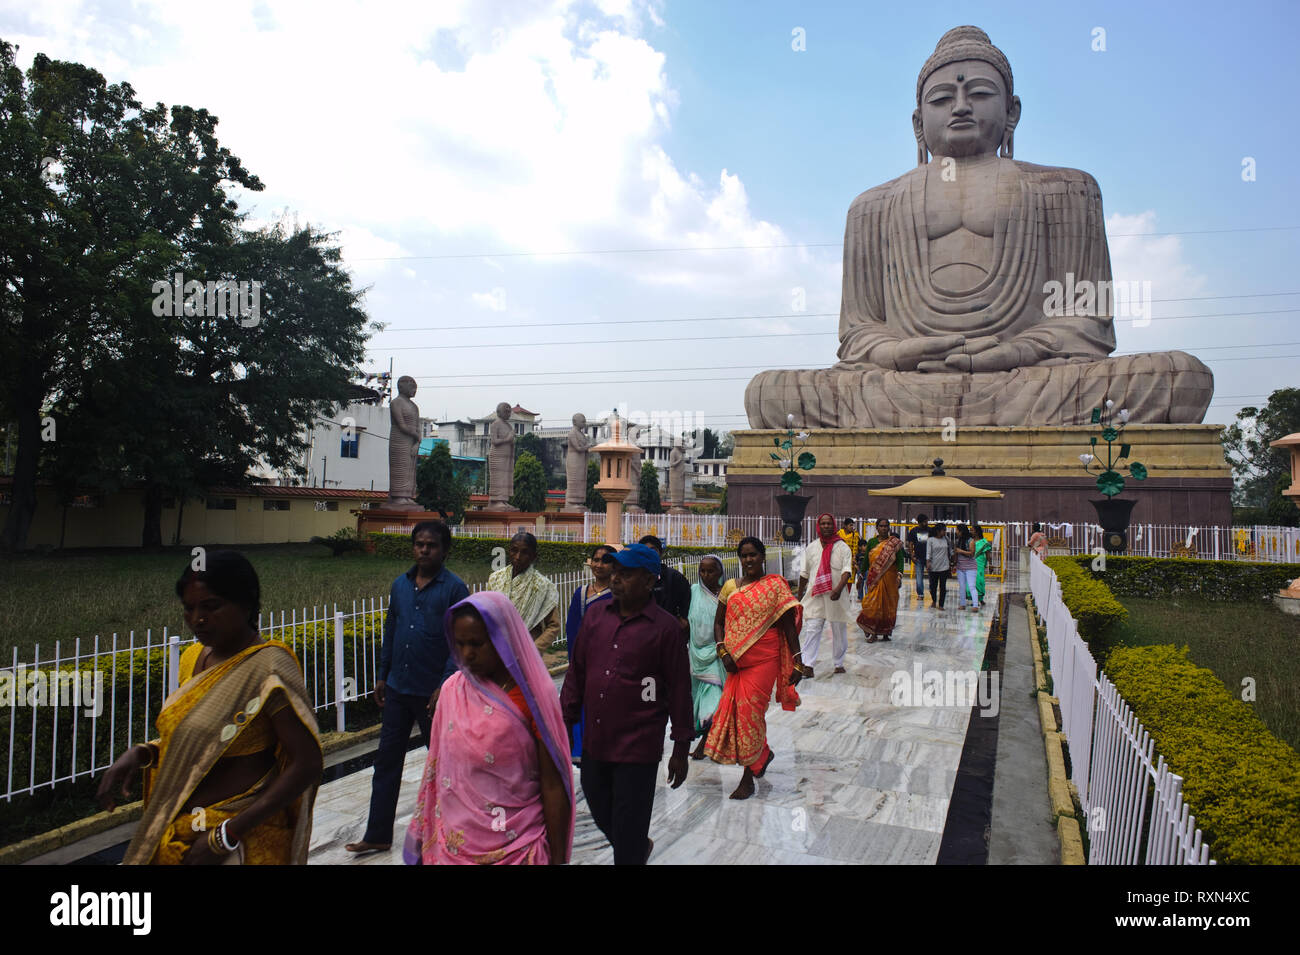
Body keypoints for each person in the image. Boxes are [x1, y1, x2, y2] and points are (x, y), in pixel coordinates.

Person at [98, 551, 322, 864]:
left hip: (241, 840)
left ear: (246, 604)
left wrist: (227, 835)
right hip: (181, 829)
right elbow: (200, 739)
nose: (197, 619)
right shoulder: (193, 659)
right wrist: (143, 753)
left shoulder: (270, 668)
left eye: (211, 606)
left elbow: (307, 763)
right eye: (188, 609)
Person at [403, 592, 573, 865]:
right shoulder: (451, 690)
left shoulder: (534, 697)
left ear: (503, 639)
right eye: (460, 644)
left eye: (477, 643)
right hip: (454, 846)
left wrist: (557, 857)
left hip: (518, 845)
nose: (467, 653)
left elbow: (552, 783)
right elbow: (437, 772)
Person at [560, 543, 692, 864]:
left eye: (626, 574)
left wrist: (680, 749)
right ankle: (634, 846)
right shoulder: (594, 617)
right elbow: (576, 674)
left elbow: (678, 690)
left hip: (638, 749)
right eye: (615, 572)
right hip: (596, 742)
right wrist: (562, 725)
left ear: (649, 581)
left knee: (629, 831)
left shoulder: (665, 629)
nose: (616, 579)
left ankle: (632, 850)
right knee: (601, 808)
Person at [347, 520, 468, 855]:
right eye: (419, 544)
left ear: (445, 549)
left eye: (431, 545)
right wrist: (382, 673)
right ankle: (378, 834)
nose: (424, 550)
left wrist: (444, 683)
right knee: (386, 762)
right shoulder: (400, 585)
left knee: (443, 765)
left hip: (433, 693)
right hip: (399, 687)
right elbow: (392, 627)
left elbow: (460, 641)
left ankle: (451, 834)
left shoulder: (455, 589)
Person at [705, 537, 804, 800]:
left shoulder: (775, 586)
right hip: (735, 661)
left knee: (751, 713)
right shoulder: (729, 587)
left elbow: (787, 626)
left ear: (762, 557)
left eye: (753, 555)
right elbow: (718, 624)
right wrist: (722, 650)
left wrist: (797, 659)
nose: (748, 560)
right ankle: (763, 754)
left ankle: (748, 778)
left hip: (764, 659)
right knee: (738, 714)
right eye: (744, 555)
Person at [565, 544, 616, 762]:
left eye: (605, 560)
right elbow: (572, 628)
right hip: (581, 661)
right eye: (595, 559)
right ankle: (578, 750)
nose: (598, 565)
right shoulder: (581, 593)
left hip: (605, 662)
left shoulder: (616, 595)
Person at [796, 512, 853, 676]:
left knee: (839, 630)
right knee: (813, 628)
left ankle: (838, 662)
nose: (826, 526)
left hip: (836, 595)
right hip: (815, 595)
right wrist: (799, 596)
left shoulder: (842, 547)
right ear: (818, 526)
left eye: (829, 523)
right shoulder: (812, 547)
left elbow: (847, 571)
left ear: (833, 525)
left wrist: (838, 588)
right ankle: (808, 664)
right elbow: (804, 573)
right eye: (823, 524)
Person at [487, 531, 560, 651]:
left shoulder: (543, 586)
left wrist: (534, 648)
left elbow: (553, 625)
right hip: (497, 650)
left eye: (525, 552)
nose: (518, 557)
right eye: (514, 550)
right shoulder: (495, 579)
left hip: (528, 652)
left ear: (533, 556)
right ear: (509, 551)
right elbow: (488, 614)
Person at [687, 555, 728, 760]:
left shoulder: (727, 594)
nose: (705, 575)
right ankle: (710, 739)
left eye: (710, 571)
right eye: (702, 571)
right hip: (696, 654)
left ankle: (705, 743)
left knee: (712, 703)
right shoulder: (693, 592)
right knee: (700, 701)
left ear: (720, 572)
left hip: (717, 654)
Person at [858, 518, 905, 643]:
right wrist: (861, 576)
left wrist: (899, 576)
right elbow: (867, 562)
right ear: (877, 528)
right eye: (881, 526)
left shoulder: (894, 543)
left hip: (890, 579)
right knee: (873, 605)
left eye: (886, 526)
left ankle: (885, 632)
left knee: (888, 606)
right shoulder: (872, 542)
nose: (884, 528)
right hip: (875, 579)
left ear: (889, 528)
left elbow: (900, 560)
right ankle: (873, 632)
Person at [639, 534, 691, 634]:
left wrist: (683, 620)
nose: (649, 554)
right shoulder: (634, 579)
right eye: (645, 551)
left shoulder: (675, 577)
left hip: (669, 632)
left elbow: (686, 601)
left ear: (660, 553)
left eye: (653, 550)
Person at [926, 522, 954, 610]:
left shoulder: (946, 539)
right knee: (932, 586)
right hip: (933, 566)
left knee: (943, 587)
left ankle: (941, 604)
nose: (945, 532)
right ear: (938, 531)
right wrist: (928, 562)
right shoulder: (930, 540)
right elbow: (928, 552)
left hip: (944, 566)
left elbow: (950, 550)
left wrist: (953, 559)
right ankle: (934, 600)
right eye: (943, 530)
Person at [954, 524, 981, 612]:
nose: (956, 532)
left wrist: (960, 551)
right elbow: (956, 554)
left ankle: (975, 605)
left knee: (971, 586)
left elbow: (972, 554)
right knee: (962, 586)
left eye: (957, 530)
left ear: (961, 531)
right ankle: (962, 604)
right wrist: (954, 564)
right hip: (960, 567)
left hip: (970, 568)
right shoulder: (958, 541)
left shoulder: (971, 541)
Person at [906, 514, 931, 603]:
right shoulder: (913, 531)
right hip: (918, 557)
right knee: (919, 576)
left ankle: (932, 591)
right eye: (925, 521)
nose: (926, 523)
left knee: (932, 576)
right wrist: (912, 554)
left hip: (929, 558)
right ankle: (920, 594)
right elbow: (910, 543)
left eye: (927, 521)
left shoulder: (930, 530)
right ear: (920, 522)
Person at [838, 518, 862, 599]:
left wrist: (854, 560)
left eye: (853, 525)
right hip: (839, 560)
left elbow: (855, 548)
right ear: (845, 526)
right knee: (839, 578)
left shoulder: (855, 535)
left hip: (851, 561)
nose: (852, 527)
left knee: (849, 579)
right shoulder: (839, 534)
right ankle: (839, 596)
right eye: (850, 525)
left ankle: (846, 597)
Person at [973, 525, 993, 603]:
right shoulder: (971, 541)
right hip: (971, 564)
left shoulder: (984, 542)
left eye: (972, 530)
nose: (971, 531)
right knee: (973, 581)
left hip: (980, 563)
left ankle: (980, 598)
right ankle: (976, 599)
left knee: (979, 580)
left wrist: (990, 564)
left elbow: (988, 554)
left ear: (977, 532)